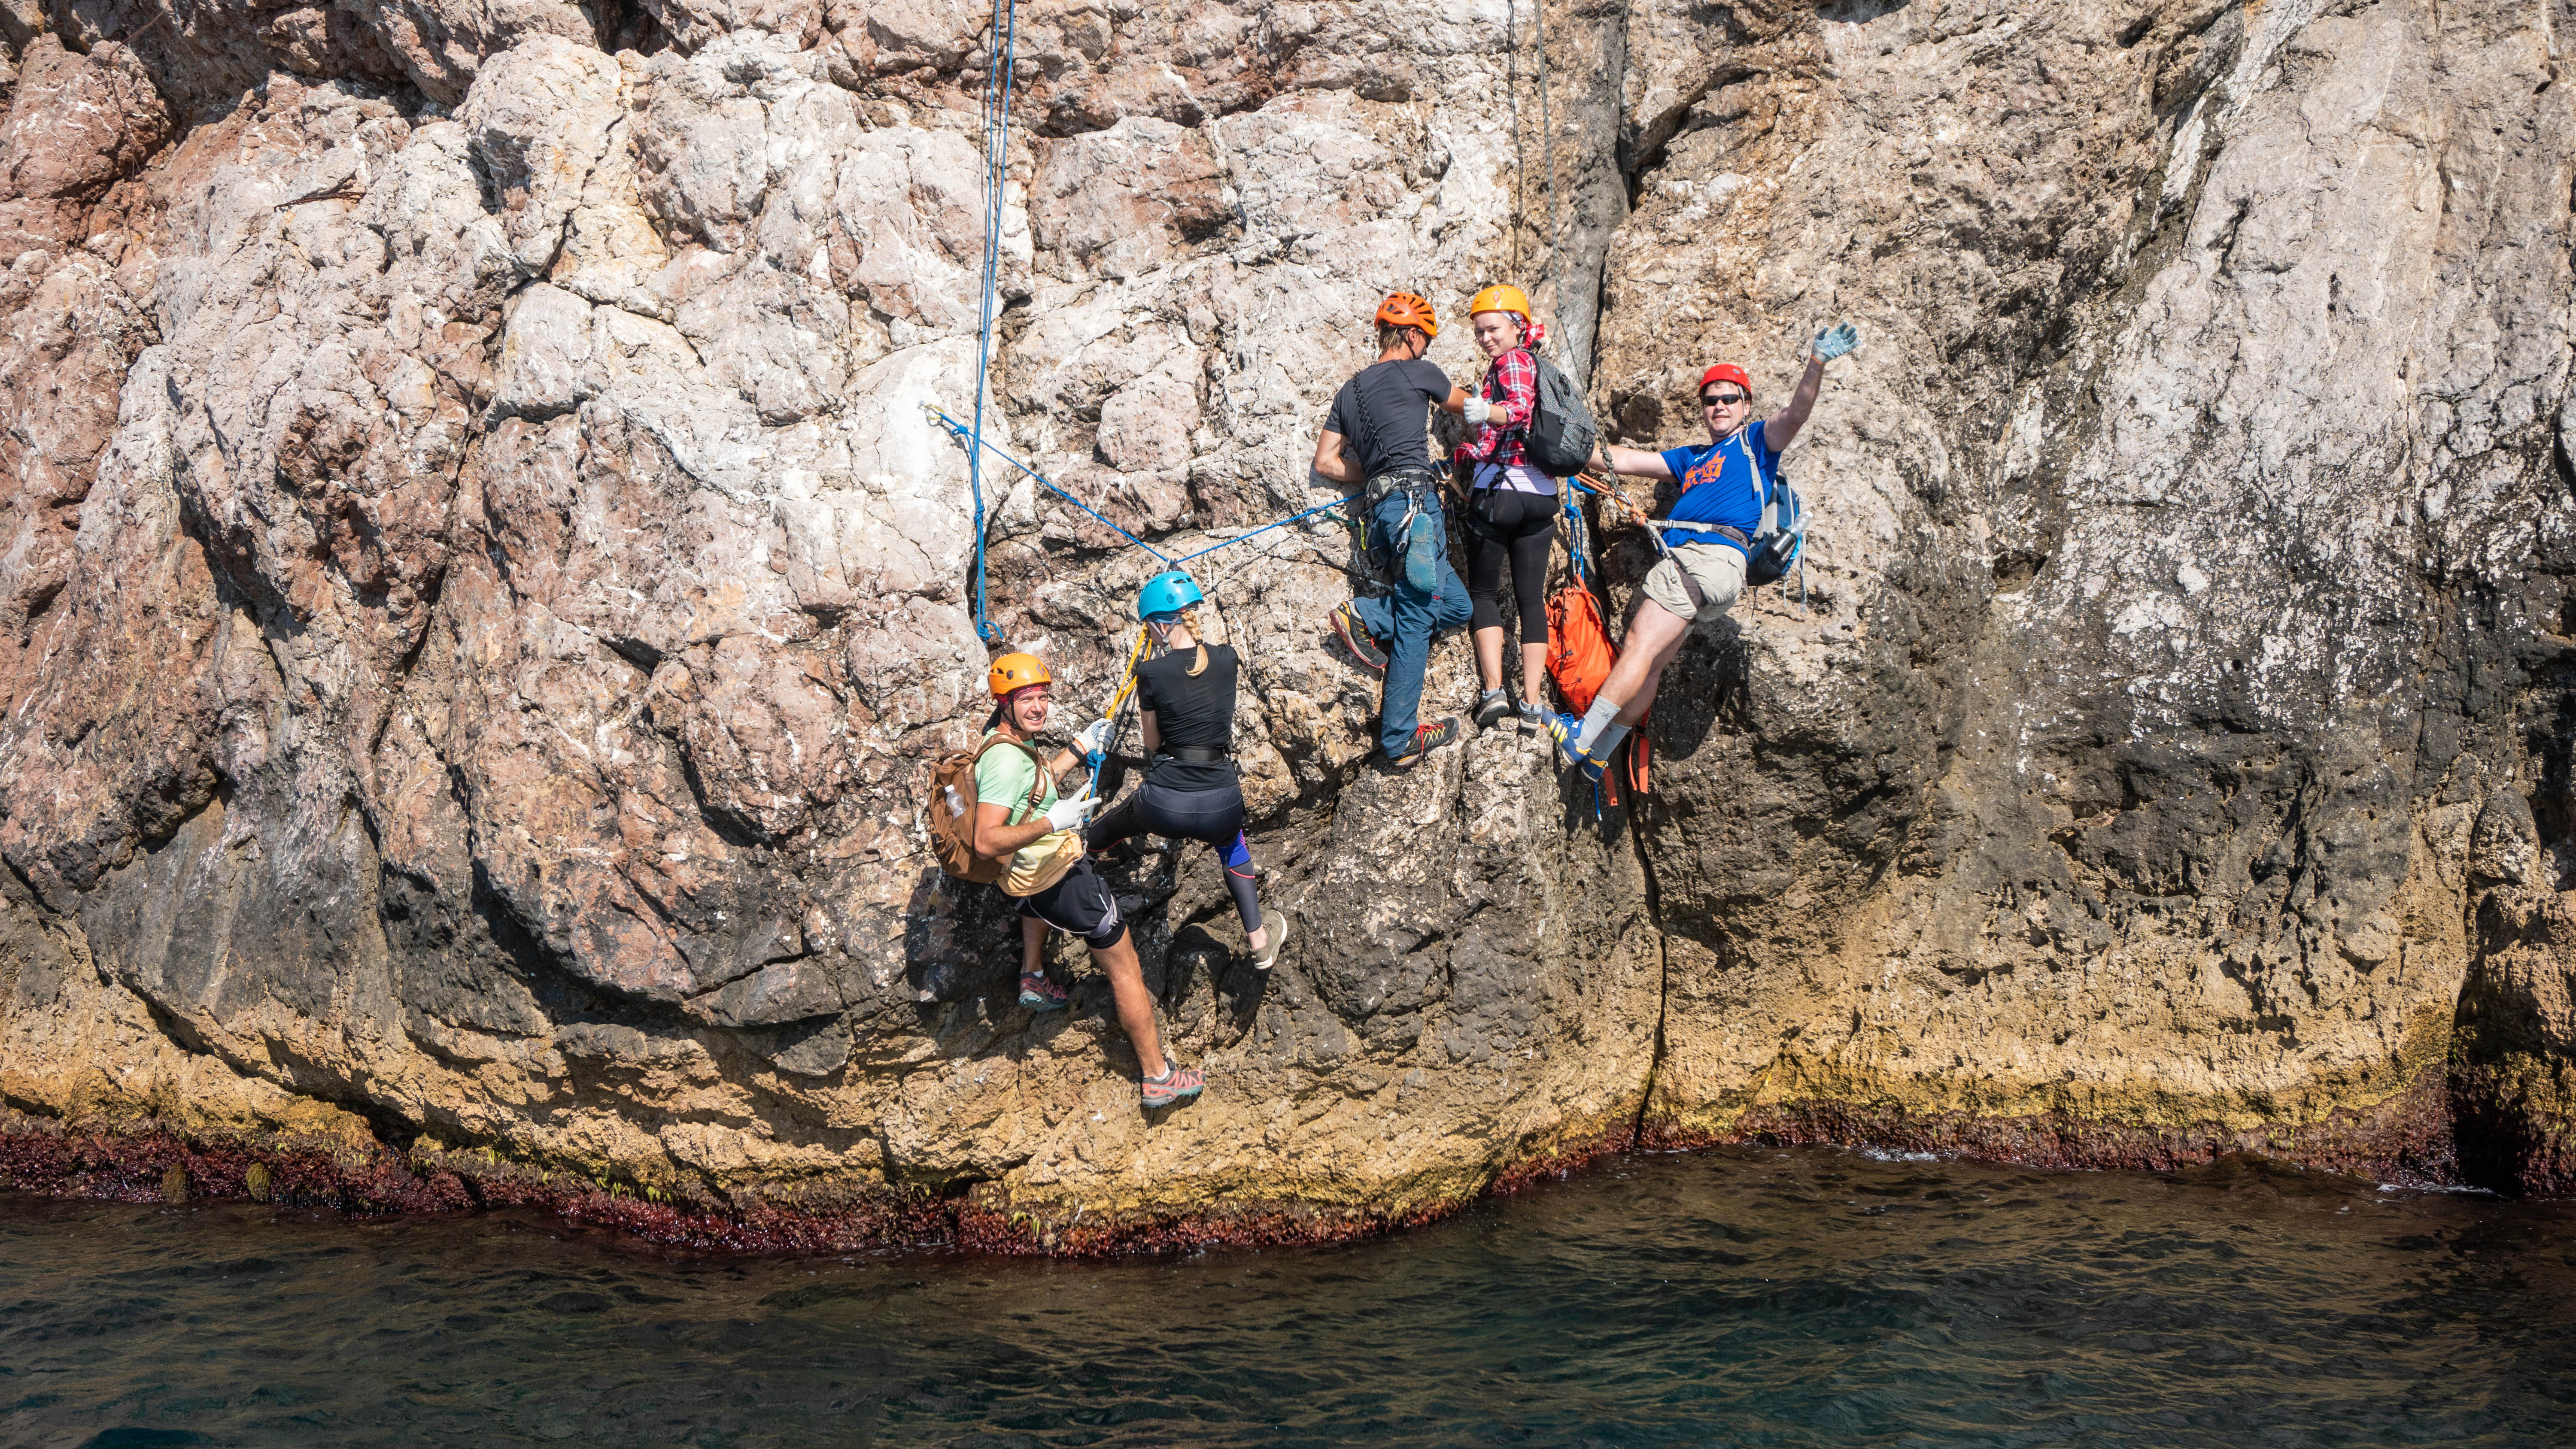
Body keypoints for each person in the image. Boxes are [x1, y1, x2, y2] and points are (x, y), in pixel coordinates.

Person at [1553, 323, 1860, 781]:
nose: (1719, 406)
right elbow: (1626, 461)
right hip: (1715, 578)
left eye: (1730, 399)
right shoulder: (1692, 458)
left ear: (1746, 405)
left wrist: (1815, 363)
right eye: (1711, 400)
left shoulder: (1756, 442)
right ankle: (1602, 755)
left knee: (1637, 647)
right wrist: (1566, 447)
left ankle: (1582, 738)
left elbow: (1796, 414)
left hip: (1705, 559)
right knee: (1652, 663)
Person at [973, 652, 1206, 1109]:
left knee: (1034, 904)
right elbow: (985, 841)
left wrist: (1078, 749)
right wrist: (1053, 823)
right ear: (1005, 702)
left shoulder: (1000, 741)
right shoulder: (1004, 763)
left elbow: (1034, 786)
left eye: (1042, 697)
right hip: (1060, 879)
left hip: (1024, 883)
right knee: (1125, 966)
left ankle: (1033, 976)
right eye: (1026, 699)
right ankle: (1158, 1076)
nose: (1038, 707)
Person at [1078, 571, 1290, 970]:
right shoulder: (1227, 659)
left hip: (1164, 805)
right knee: (1233, 847)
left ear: (1160, 623)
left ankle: (1082, 863)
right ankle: (1259, 941)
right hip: (1220, 804)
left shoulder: (1150, 673)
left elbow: (1154, 744)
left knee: (1116, 823)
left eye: (1148, 627)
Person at [1313, 292, 1482, 769]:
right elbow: (1467, 409)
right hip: (1418, 510)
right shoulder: (1420, 372)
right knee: (1416, 622)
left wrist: (1376, 472)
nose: (1426, 349)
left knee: (1456, 605)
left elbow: (1326, 461)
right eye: (1424, 340)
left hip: (1385, 514)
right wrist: (1507, 412)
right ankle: (1399, 738)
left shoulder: (1350, 392)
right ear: (1410, 336)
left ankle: (1366, 616)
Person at [1455, 284, 1559, 732]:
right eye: (1480, 332)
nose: (1486, 338)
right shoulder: (1538, 363)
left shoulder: (1510, 362)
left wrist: (1485, 413)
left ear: (1518, 326)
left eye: (1493, 328)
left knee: (1483, 593)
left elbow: (1515, 411)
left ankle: (1495, 692)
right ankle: (1533, 705)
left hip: (1500, 493)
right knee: (1530, 599)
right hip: (1539, 496)